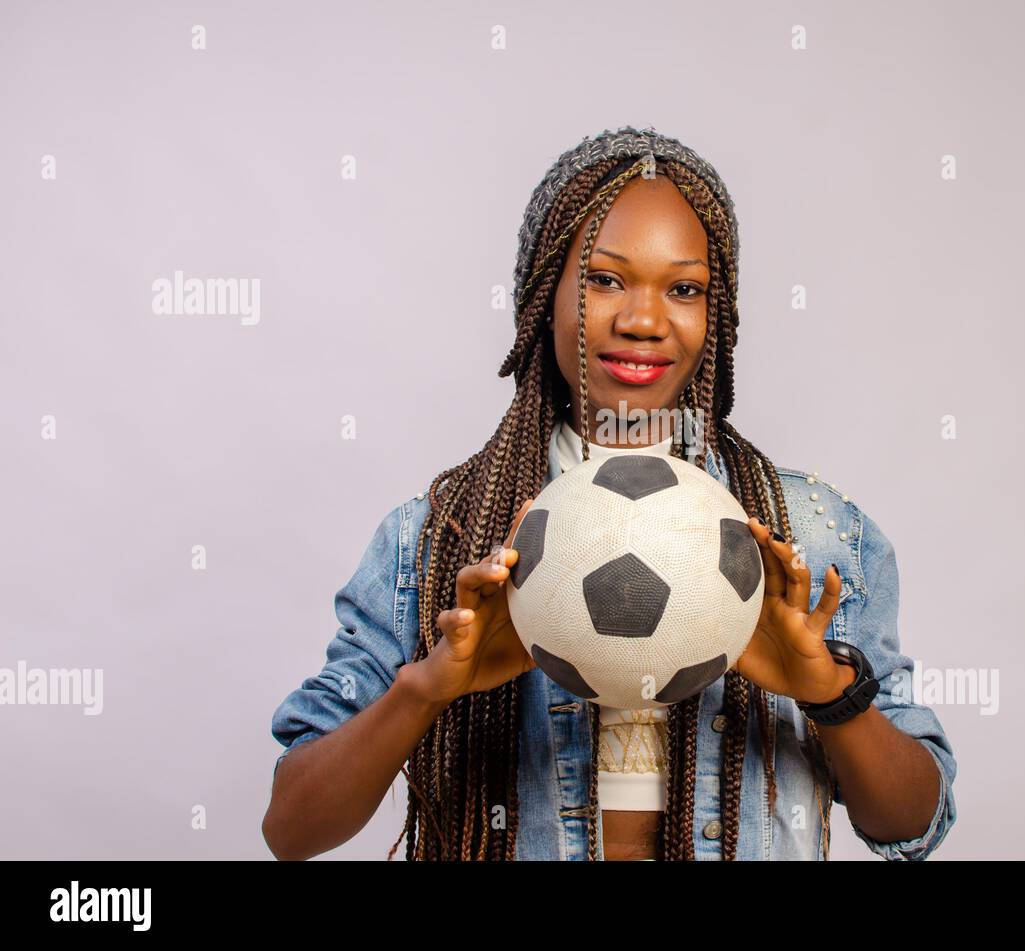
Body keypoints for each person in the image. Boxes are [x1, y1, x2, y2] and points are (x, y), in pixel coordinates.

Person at [263, 126, 957, 861]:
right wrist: (426, 687)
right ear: (542, 294)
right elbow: (293, 827)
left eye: (684, 288)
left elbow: (914, 820)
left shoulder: (812, 535)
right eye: (604, 278)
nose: (644, 320)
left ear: (716, 313)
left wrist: (829, 694)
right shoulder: (439, 539)